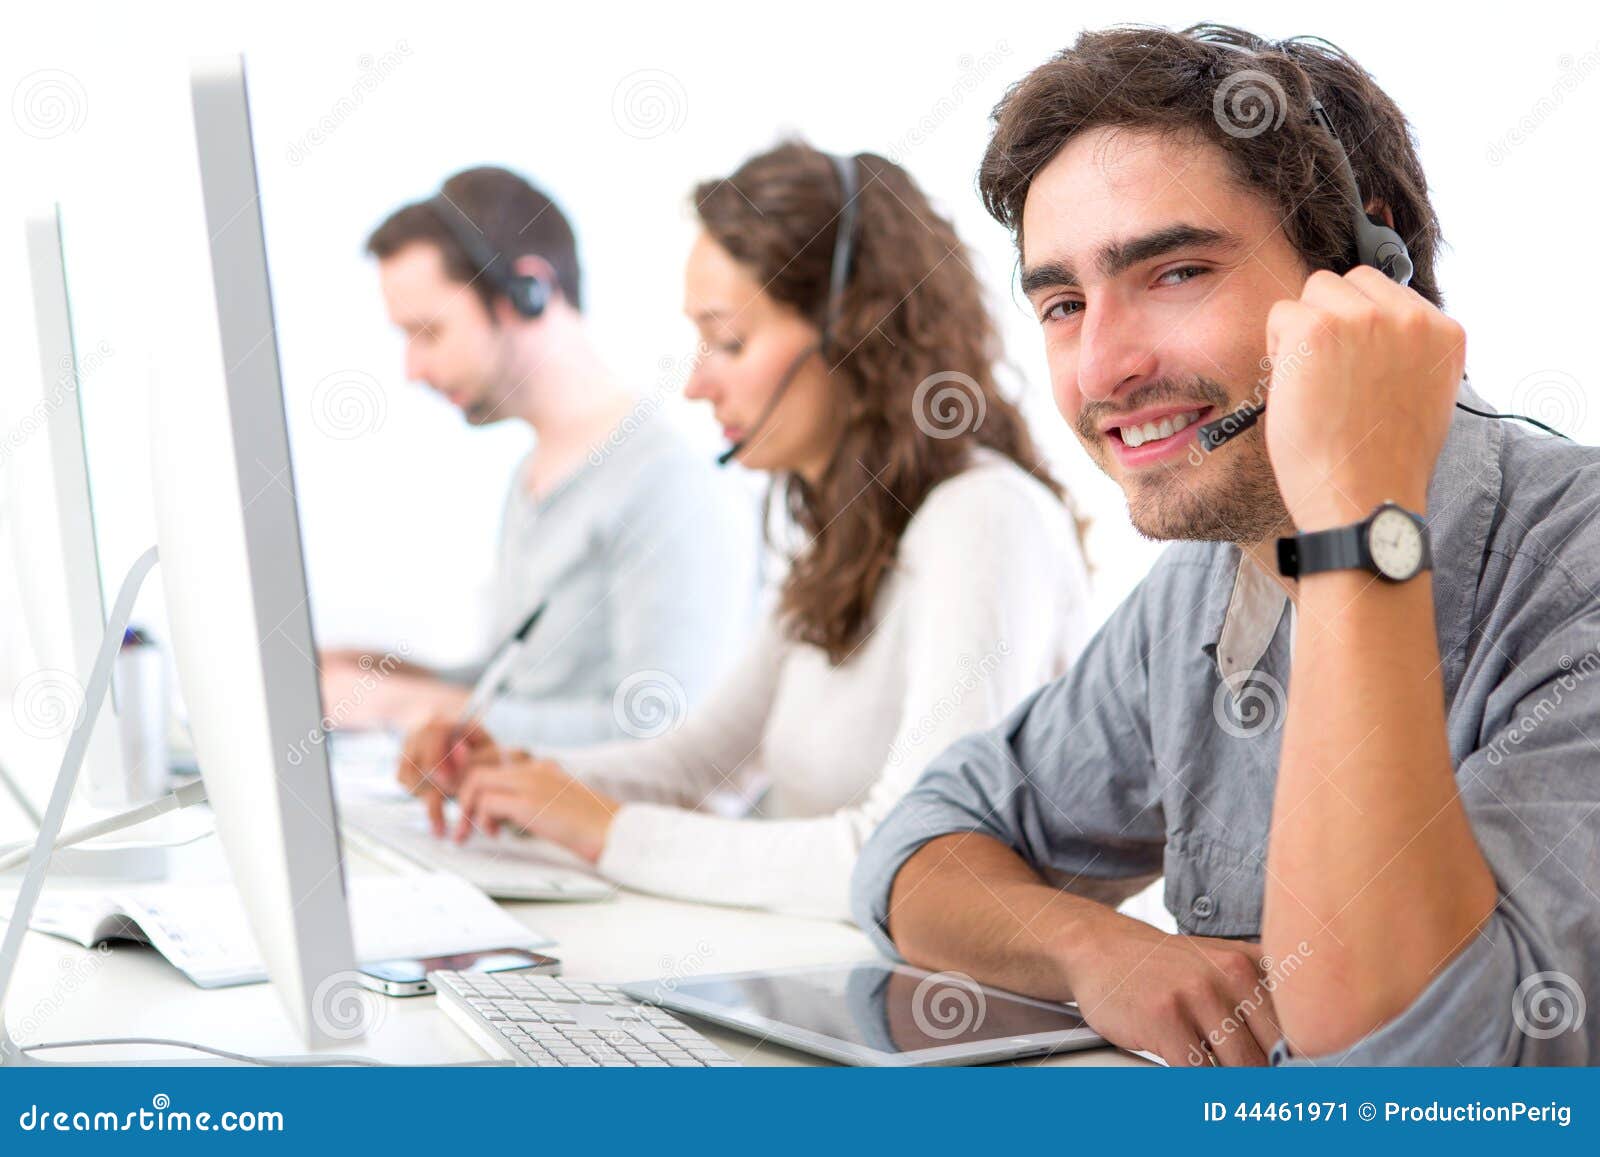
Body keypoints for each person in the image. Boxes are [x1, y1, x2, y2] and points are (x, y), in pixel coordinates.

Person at [851, 25, 1600, 1067]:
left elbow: (1418, 1076)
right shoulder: (1211, 578)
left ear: (1360, 269)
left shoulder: (1577, 568)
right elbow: (916, 848)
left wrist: (1358, 510)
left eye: (1175, 271)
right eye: (1063, 303)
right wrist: (1093, 947)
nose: (1102, 367)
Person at [398, 143, 1092, 920]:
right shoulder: (846, 532)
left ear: (854, 332)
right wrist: (520, 776)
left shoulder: (983, 517)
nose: (696, 384)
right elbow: (701, 762)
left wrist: (611, 830)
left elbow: (911, 853)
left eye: (728, 341)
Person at [321, 166, 758, 746]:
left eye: (428, 332)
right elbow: (524, 693)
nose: (412, 370)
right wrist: (382, 678)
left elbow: (665, 742)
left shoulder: (671, 488)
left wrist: (404, 707)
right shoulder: (532, 477)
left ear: (527, 293)